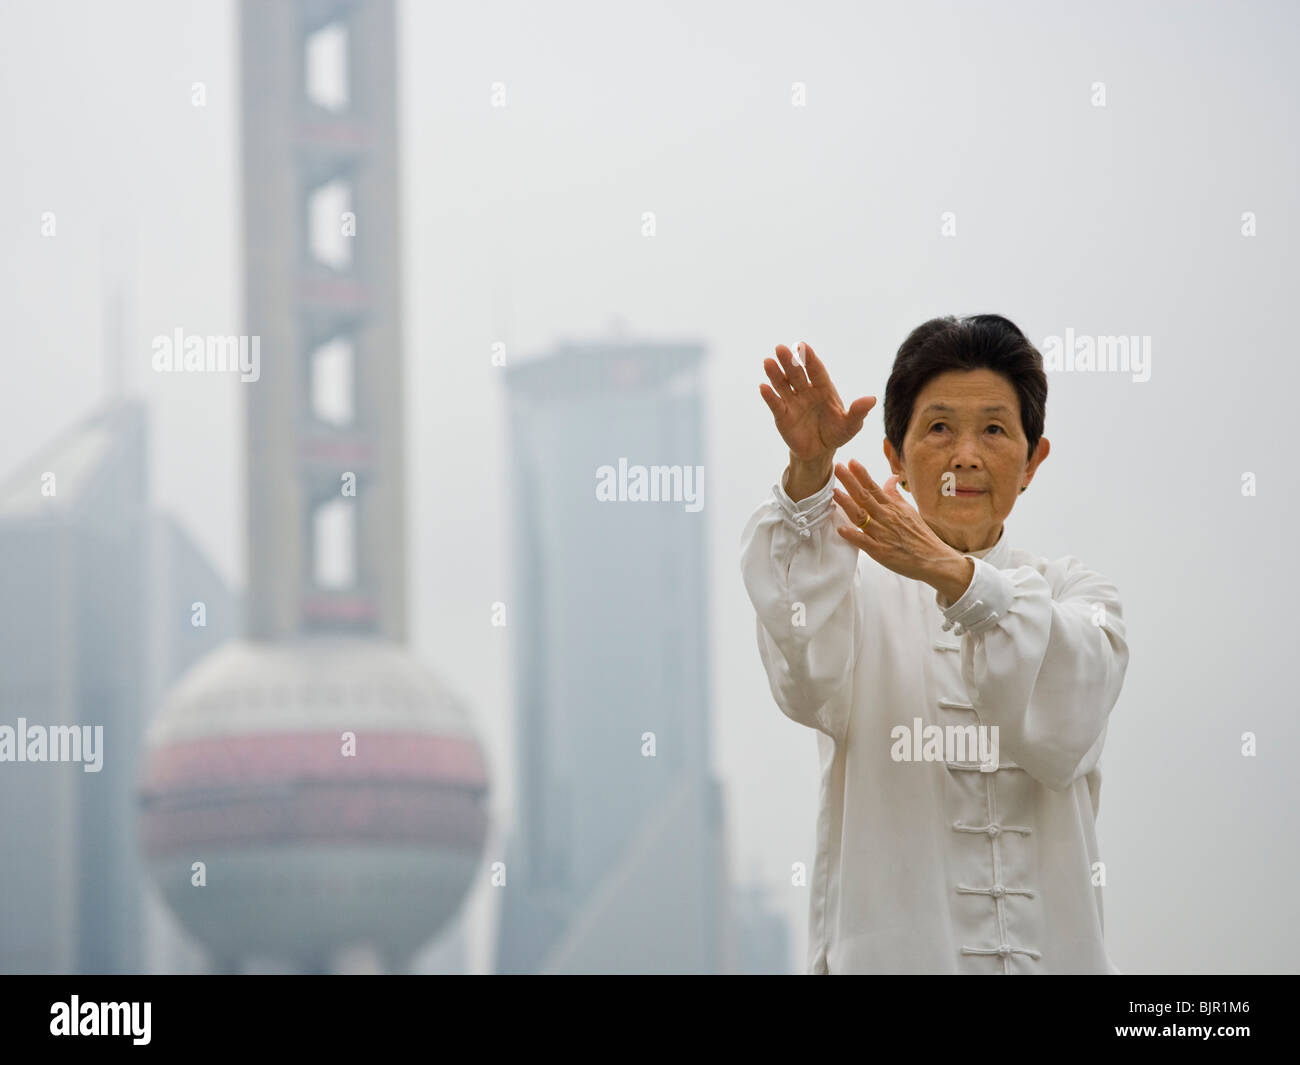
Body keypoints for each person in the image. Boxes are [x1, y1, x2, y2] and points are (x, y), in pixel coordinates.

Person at [739, 315, 1129, 974]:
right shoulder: (854, 594)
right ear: (894, 455)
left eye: (995, 430)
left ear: (1034, 461)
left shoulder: (1078, 596)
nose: (966, 456)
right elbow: (801, 675)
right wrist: (810, 471)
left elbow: (1065, 729)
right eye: (940, 427)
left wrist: (956, 576)